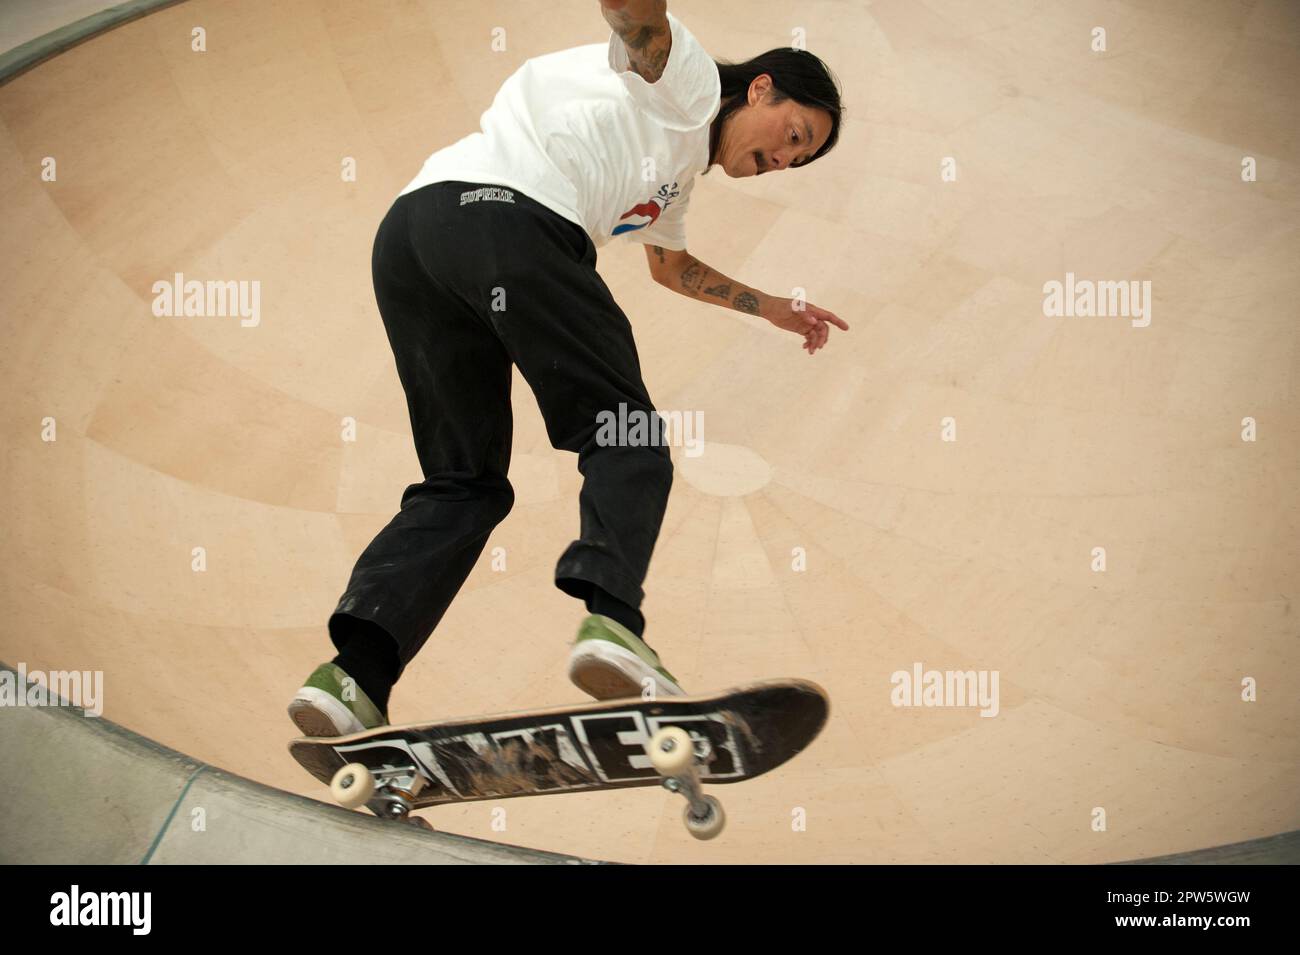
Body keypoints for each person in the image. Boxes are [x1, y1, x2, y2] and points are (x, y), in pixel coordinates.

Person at [288, 1, 847, 737]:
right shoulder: (692, 84)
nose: (780, 161)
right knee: (629, 434)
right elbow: (634, 17)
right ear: (762, 89)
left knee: (465, 483)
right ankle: (613, 625)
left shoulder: (677, 175)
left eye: (794, 164)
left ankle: (355, 674)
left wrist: (768, 305)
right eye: (793, 136)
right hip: (510, 221)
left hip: (415, 240)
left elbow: (670, 267)